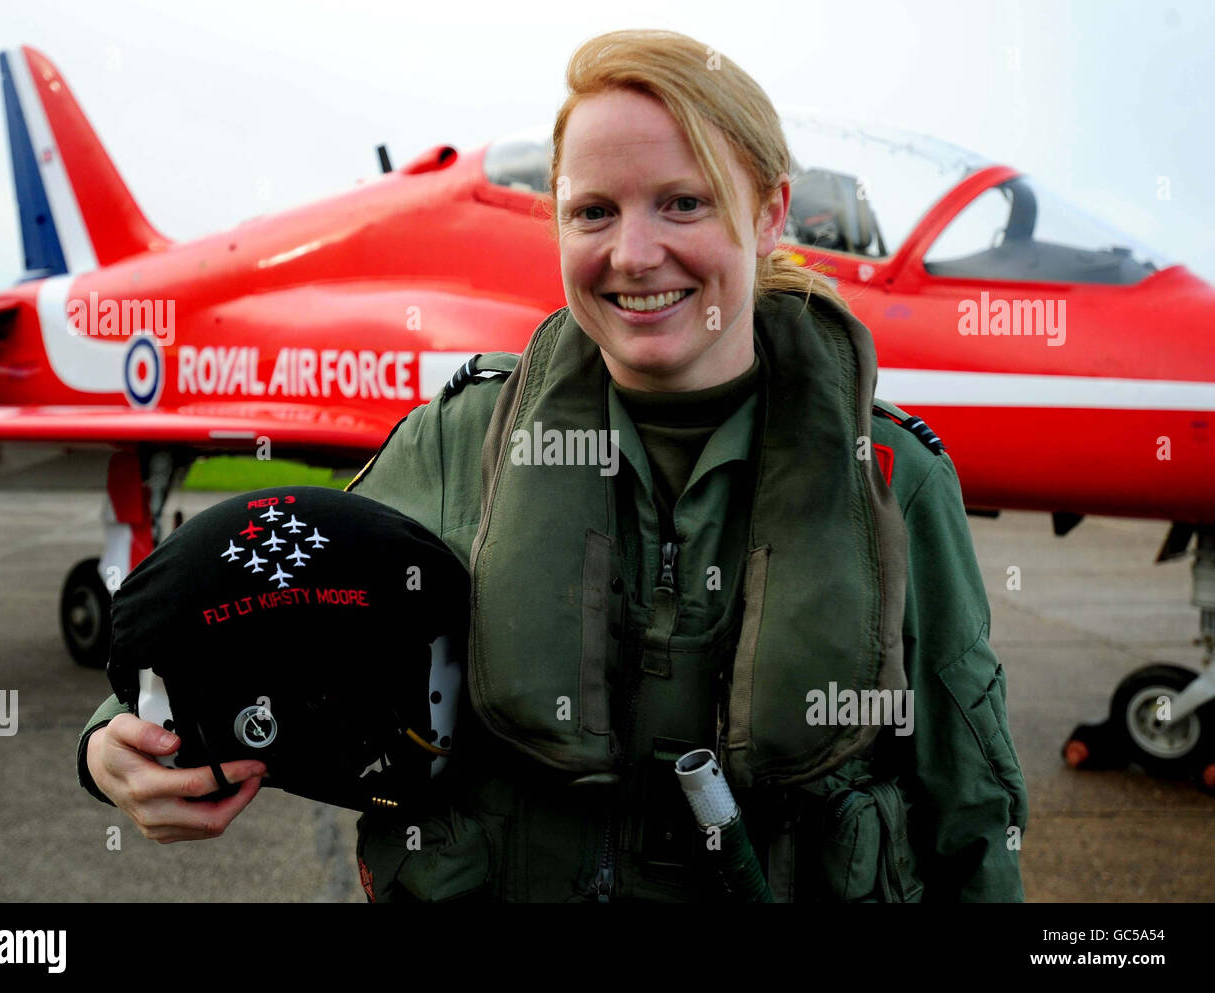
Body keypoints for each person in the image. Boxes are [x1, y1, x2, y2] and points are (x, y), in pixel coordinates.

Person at [78, 28, 1028, 901]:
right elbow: (242, 627)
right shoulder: (459, 441)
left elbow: (973, 817)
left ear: (772, 212)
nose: (634, 253)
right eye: (593, 212)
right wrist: (109, 750)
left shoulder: (890, 477)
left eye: (684, 203)